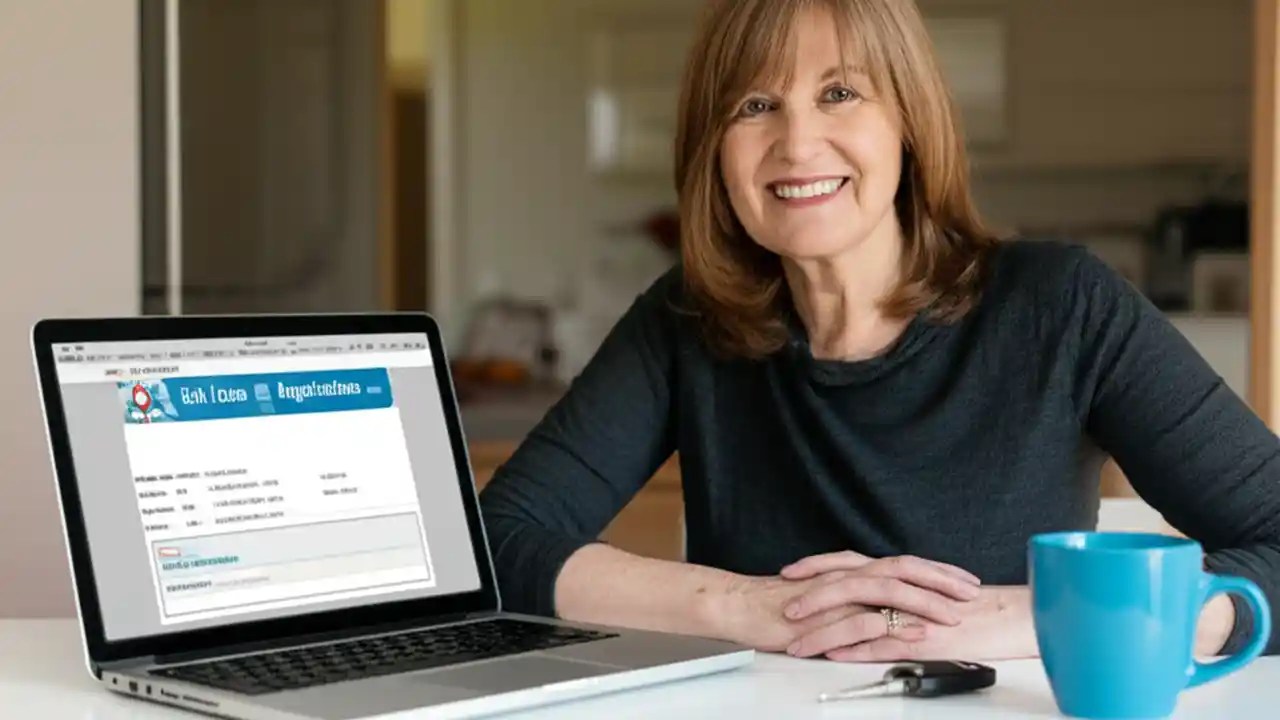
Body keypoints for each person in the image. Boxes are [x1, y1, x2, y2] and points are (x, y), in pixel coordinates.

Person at [478, 0, 1280, 662]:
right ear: (713, 151)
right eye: (756, 106)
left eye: (839, 94)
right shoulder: (685, 318)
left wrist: (1034, 617)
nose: (797, 145)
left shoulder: (1064, 306)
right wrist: (749, 605)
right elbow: (499, 544)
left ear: (908, 119)